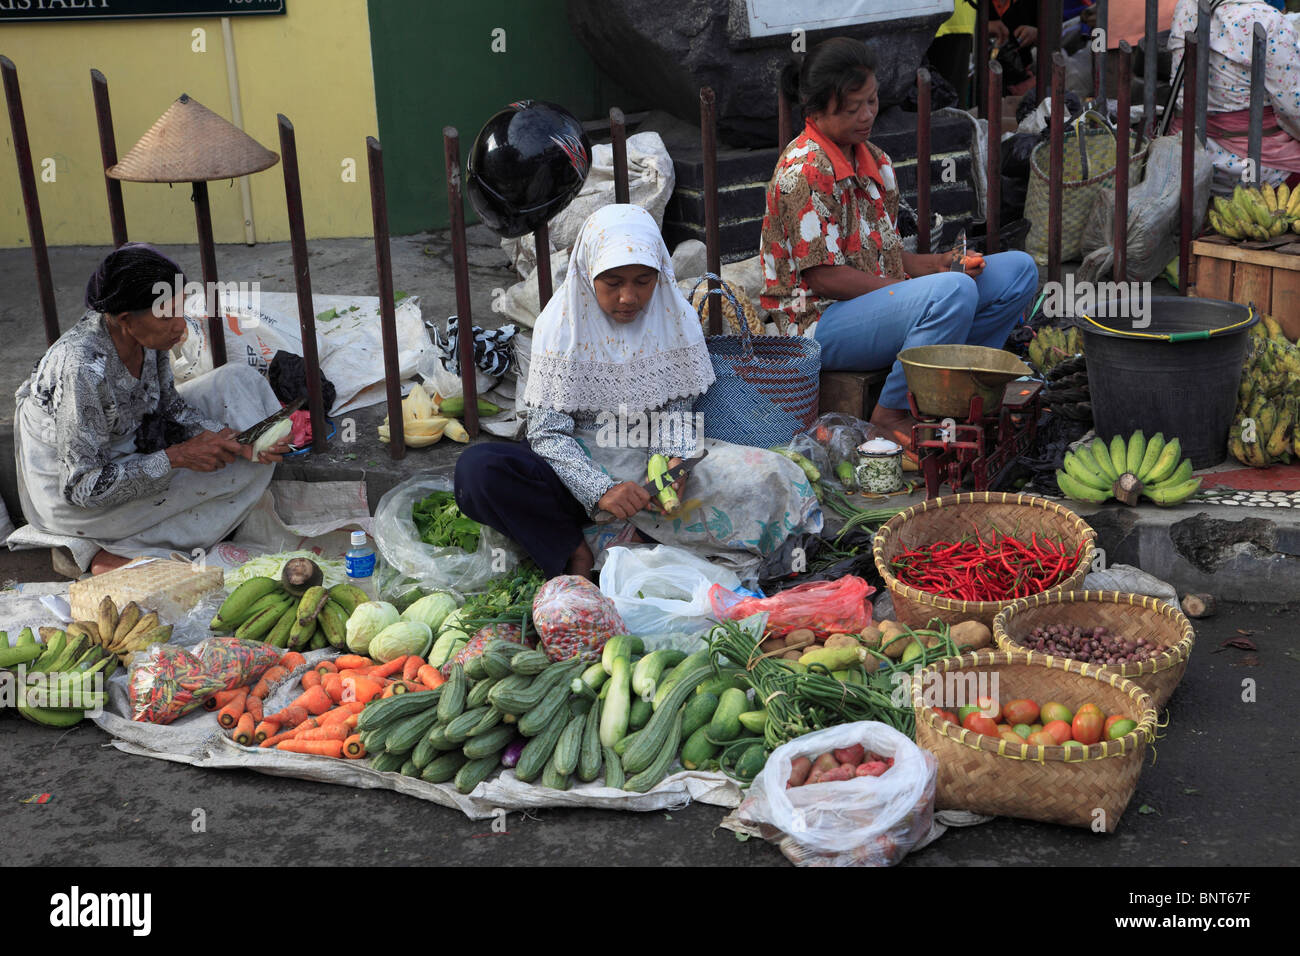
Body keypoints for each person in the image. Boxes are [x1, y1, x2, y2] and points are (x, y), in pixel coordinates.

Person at [454, 204, 822, 583]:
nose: (628, 297)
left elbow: (678, 410)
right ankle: (572, 551)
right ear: (588, 274)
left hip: (646, 470)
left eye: (643, 282)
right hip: (573, 471)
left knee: (773, 474)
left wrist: (670, 461)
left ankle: (637, 540)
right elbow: (548, 434)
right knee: (478, 471)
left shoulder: (673, 317)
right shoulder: (562, 323)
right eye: (612, 283)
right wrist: (601, 490)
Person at [760, 38, 1039, 455]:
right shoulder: (803, 171)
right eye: (852, 108)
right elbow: (825, 277)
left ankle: (960, 386)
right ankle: (890, 413)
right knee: (952, 292)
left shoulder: (877, 161)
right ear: (815, 110)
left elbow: (888, 255)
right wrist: (910, 293)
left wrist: (941, 263)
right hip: (815, 322)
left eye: (871, 102)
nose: (866, 115)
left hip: (871, 304)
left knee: (1018, 270)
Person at [11, 244, 290, 575]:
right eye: (167, 316)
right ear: (127, 320)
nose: (180, 326)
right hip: (72, 496)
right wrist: (178, 457)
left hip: (129, 440)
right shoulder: (80, 368)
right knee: (238, 474)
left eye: (180, 311)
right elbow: (82, 487)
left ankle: (123, 544)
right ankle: (96, 551)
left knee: (239, 380)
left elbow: (168, 406)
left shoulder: (149, 338)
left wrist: (227, 437)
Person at [1168, 0, 1300, 192]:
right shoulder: (1268, 20)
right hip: (1251, 169)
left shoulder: (1187, 6)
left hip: (1189, 156)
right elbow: (1293, 109)